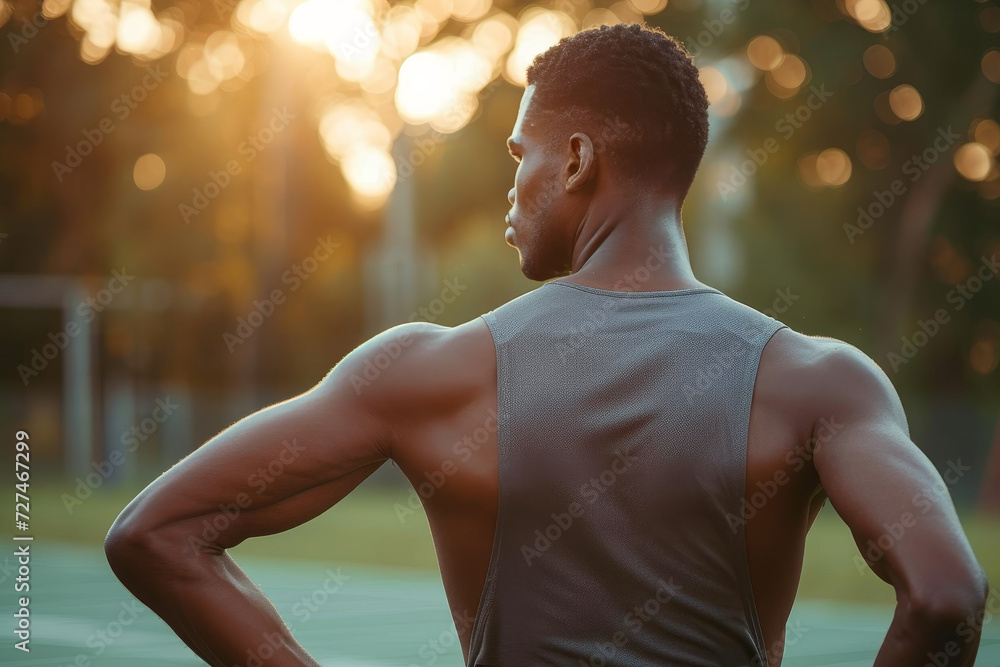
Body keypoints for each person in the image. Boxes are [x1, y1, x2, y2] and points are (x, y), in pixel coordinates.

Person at [105, 23, 989, 667]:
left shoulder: (424, 373)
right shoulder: (820, 380)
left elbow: (157, 532)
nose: (509, 186)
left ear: (574, 161)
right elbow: (947, 595)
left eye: (517, 152)